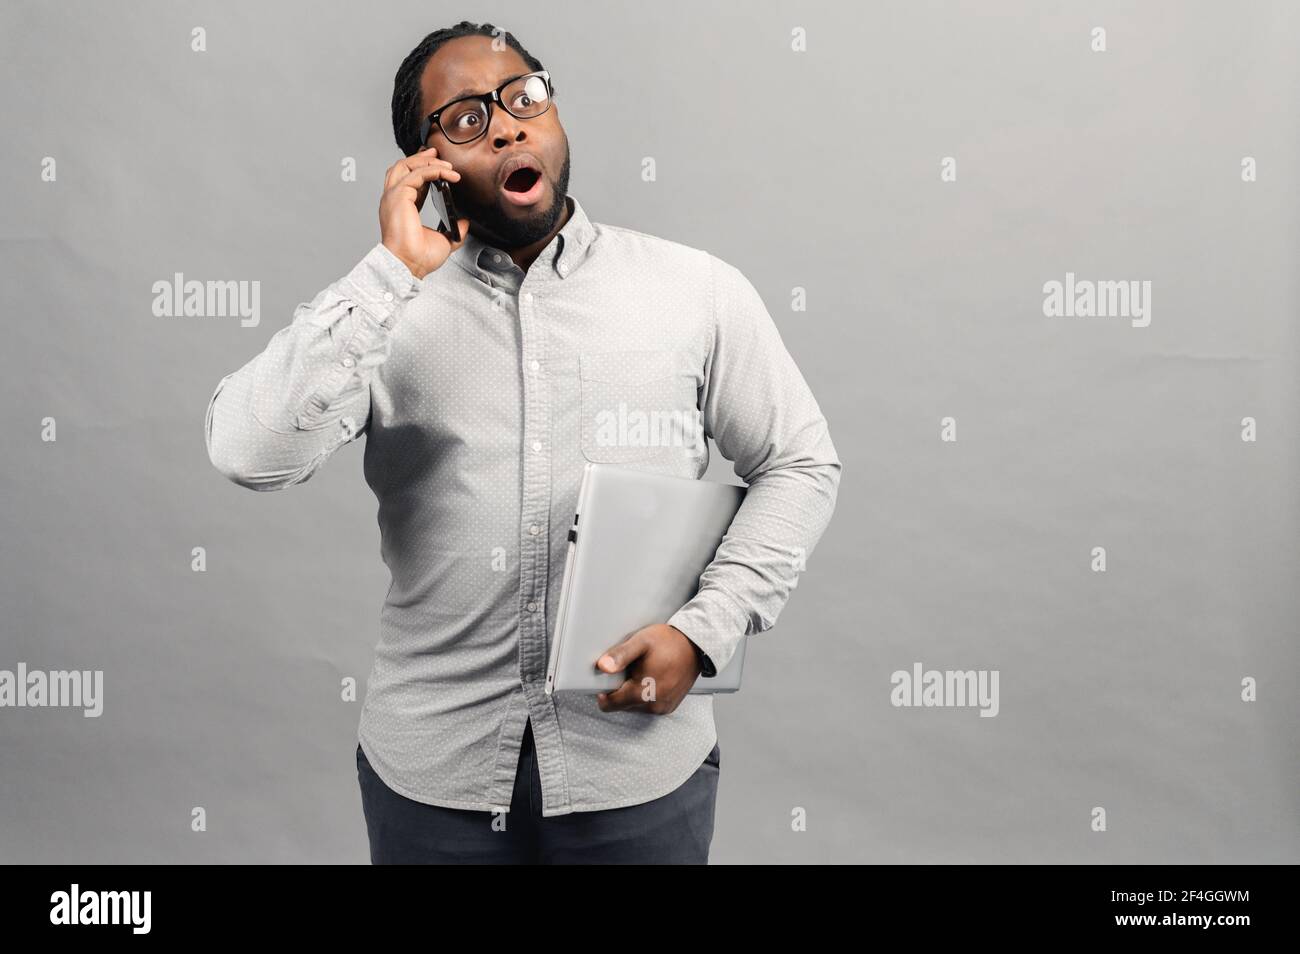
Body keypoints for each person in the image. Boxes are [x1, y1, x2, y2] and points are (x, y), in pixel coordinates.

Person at [203, 20, 842, 864]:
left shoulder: (697, 292)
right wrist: (387, 273)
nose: (506, 125)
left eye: (523, 97)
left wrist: (705, 631)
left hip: (637, 774)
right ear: (424, 165)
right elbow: (247, 451)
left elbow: (799, 462)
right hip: (434, 778)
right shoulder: (382, 315)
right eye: (465, 119)